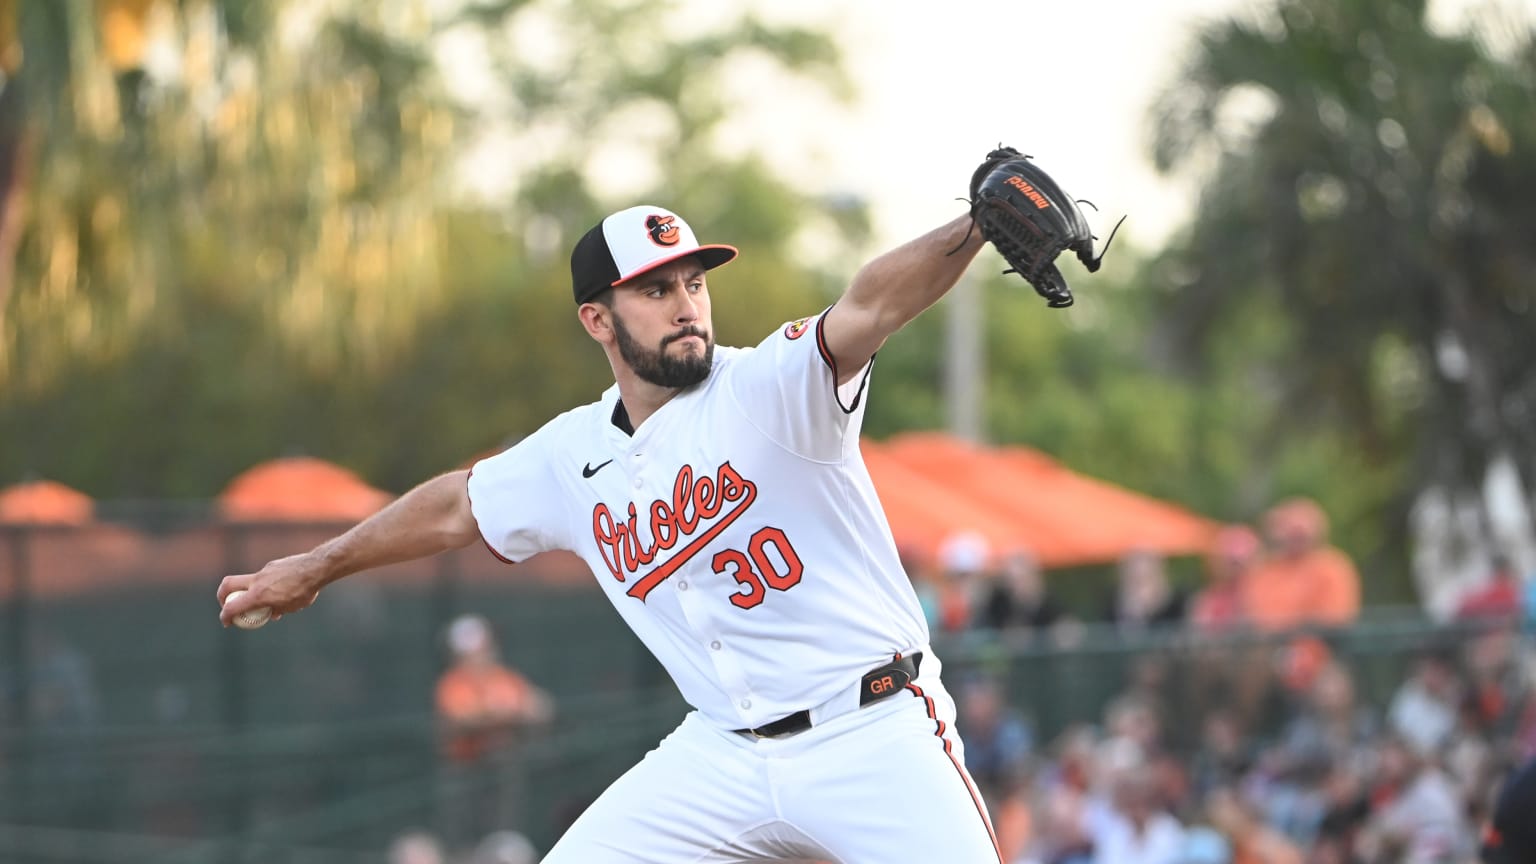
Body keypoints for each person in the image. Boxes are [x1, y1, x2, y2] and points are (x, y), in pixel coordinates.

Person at [219, 199, 1006, 862]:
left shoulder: (768, 387)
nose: (687, 302)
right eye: (656, 288)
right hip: (725, 753)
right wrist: (317, 567)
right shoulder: (571, 452)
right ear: (597, 318)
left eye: (694, 283)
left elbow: (870, 307)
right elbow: (458, 505)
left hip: (870, 732)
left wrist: (975, 226)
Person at [434, 613, 553, 849]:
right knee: (464, 840)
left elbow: (542, 708)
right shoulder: (454, 682)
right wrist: (508, 714)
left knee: (504, 835)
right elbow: (464, 718)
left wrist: (502, 714)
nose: (482, 654)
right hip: (467, 768)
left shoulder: (504, 678)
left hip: (502, 768)